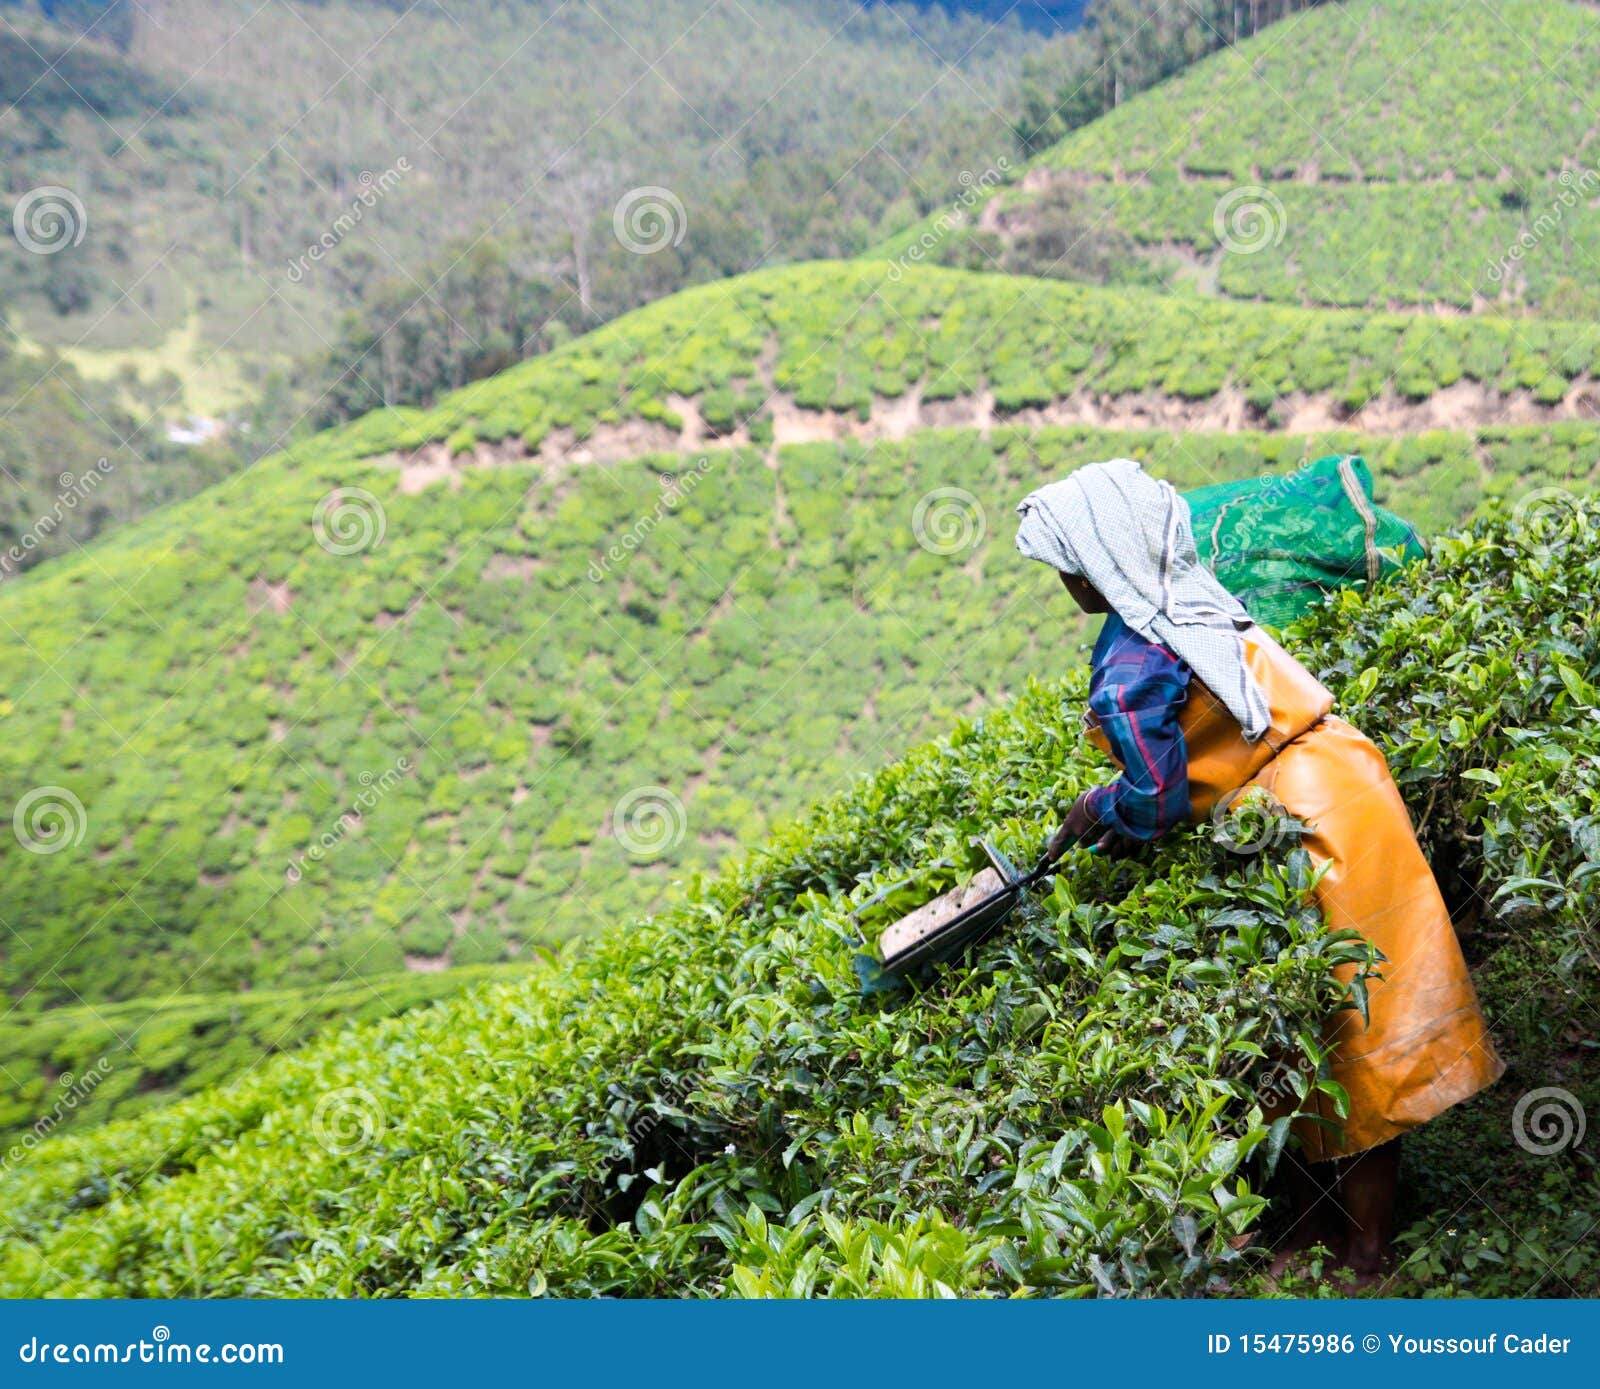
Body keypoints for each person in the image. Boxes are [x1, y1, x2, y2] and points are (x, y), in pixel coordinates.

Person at [1015, 458, 1504, 1283]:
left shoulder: (1131, 660)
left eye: (1067, 563)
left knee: (1342, 1040)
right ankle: (1316, 1231)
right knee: (1329, 1034)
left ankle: (1364, 1254)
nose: (1064, 581)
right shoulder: (1191, 595)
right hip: (1340, 785)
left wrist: (1096, 808)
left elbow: (1156, 798)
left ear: (1096, 563)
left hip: (1307, 824)